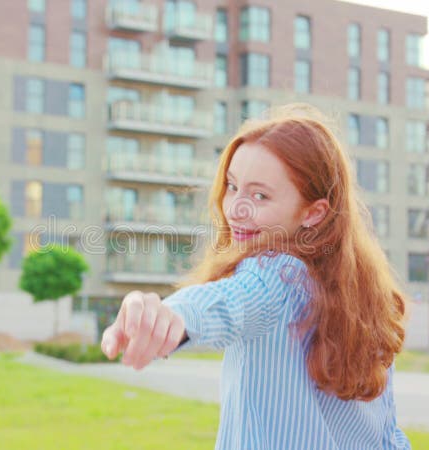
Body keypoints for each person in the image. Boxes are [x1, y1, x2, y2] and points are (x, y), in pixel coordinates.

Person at [100, 103, 411, 449]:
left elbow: (236, 298)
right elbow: (387, 436)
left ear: (313, 213)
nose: (235, 209)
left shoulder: (278, 275)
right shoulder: (368, 299)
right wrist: (173, 313)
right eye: (232, 186)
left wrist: (171, 315)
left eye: (260, 195)